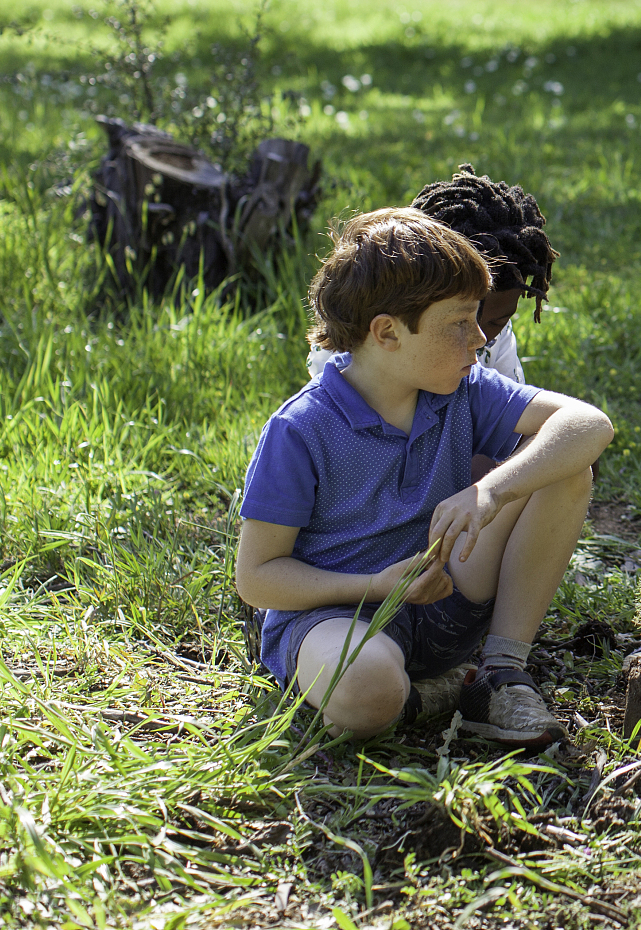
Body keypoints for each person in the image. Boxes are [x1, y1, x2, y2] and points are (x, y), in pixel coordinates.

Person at [236, 209, 614, 745]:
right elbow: (256, 578)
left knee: (562, 469)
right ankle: (429, 696)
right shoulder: (300, 429)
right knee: (368, 692)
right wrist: (377, 586)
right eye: (459, 323)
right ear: (387, 332)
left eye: (477, 320)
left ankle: (498, 673)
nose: (480, 338)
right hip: (340, 614)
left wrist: (491, 489)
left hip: (446, 599)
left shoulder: (463, 389)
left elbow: (589, 424)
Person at [306, 165, 557, 387]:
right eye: (460, 320)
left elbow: (518, 421)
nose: (480, 338)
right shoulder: (348, 359)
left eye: (496, 323)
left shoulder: (494, 342)